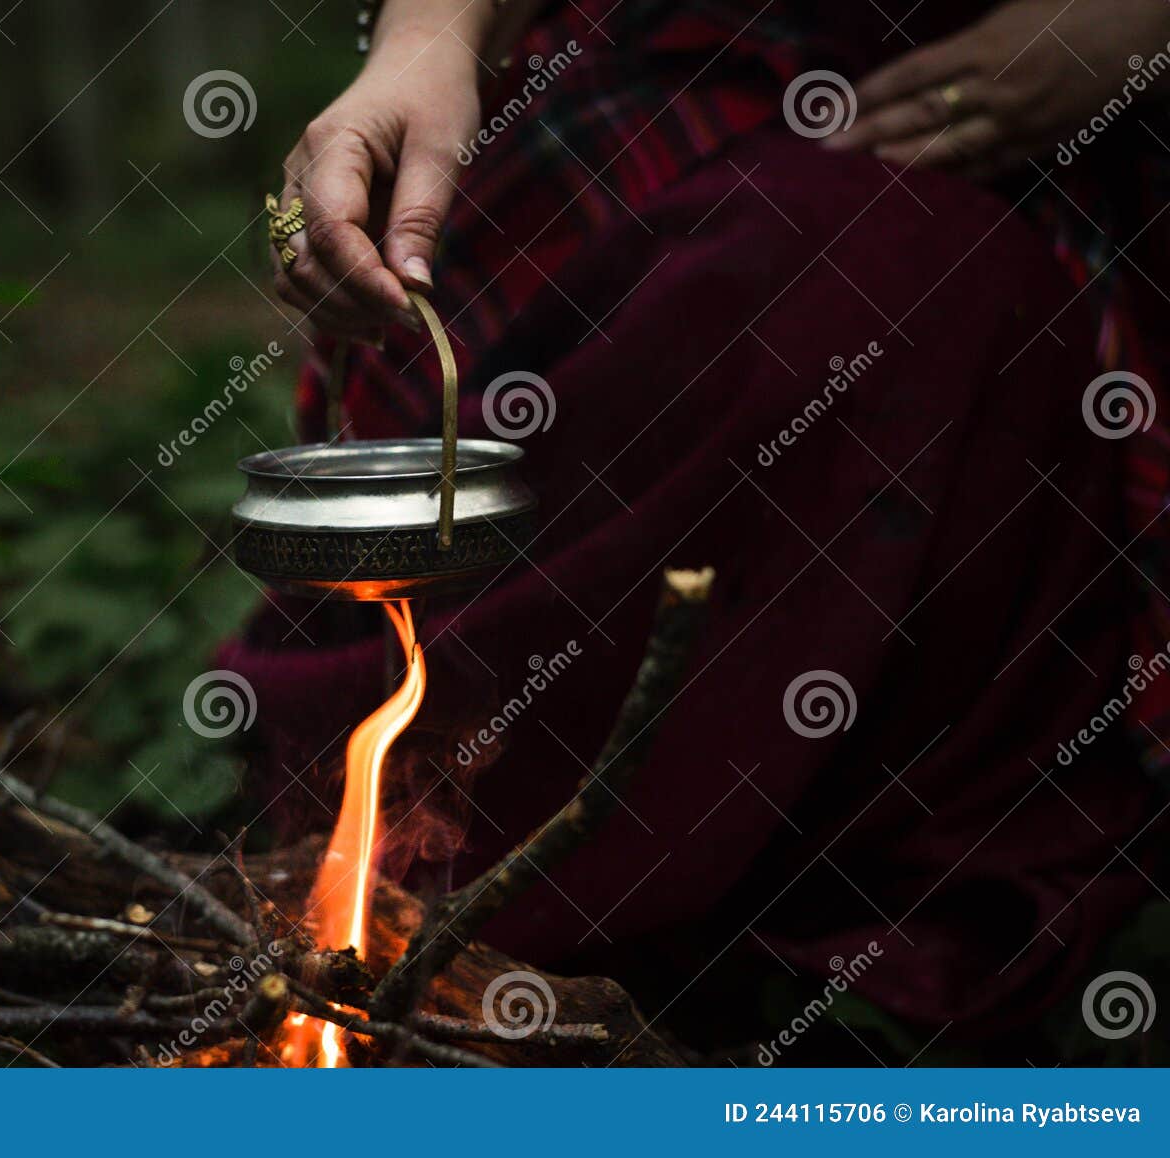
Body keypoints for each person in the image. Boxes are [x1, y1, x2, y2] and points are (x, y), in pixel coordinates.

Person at [219, 0, 1170, 1049]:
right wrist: (423, 45)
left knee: (894, 281)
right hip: (666, 86)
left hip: (1078, 146)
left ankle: (845, 988)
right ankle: (402, 915)